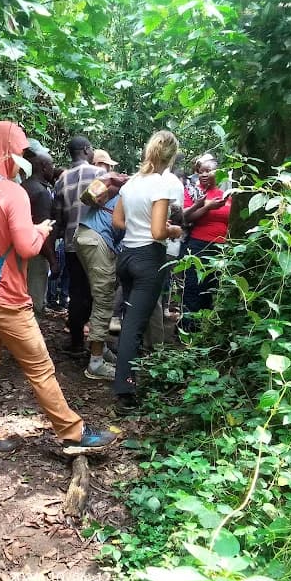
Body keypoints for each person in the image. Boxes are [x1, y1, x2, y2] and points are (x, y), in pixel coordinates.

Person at [0, 121, 117, 462]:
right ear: (7, 152)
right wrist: (42, 230)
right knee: (40, 367)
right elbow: (26, 247)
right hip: (5, 297)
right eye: (19, 151)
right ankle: (73, 433)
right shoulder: (10, 191)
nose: (22, 159)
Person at [111, 131, 183, 414]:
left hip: (126, 255)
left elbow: (117, 221)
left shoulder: (131, 183)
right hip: (147, 258)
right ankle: (125, 391)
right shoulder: (161, 185)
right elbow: (157, 232)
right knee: (133, 326)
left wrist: (138, 222)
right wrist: (173, 230)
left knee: (131, 320)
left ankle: (128, 376)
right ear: (171, 156)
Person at [54, 136, 106, 356]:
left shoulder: (61, 180)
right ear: (86, 150)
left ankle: (76, 341)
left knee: (77, 292)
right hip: (95, 242)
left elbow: (59, 217)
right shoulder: (99, 174)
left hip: (71, 243)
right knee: (99, 292)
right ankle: (96, 345)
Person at [74, 173, 127, 380]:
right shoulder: (130, 187)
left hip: (86, 234)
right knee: (104, 299)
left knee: (101, 294)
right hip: (97, 238)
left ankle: (101, 347)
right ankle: (95, 363)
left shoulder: (126, 186)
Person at [180, 153, 230, 331]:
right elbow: (185, 217)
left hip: (222, 248)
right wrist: (207, 206)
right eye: (201, 171)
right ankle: (187, 330)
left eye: (208, 171)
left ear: (218, 172)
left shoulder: (227, 193)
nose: (204, 174)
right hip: (198, 244)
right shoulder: (193, 192)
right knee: (194, 287)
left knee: (213, 289)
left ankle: (207, 331)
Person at [22, 148, 58, 315]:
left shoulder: (23, 186)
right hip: (36, 253)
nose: (53, 169)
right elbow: (44, 231)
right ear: (44, 167)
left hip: (19, 251)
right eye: (52, 165)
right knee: (35, 301)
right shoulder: (41, 193)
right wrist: (53, 260)